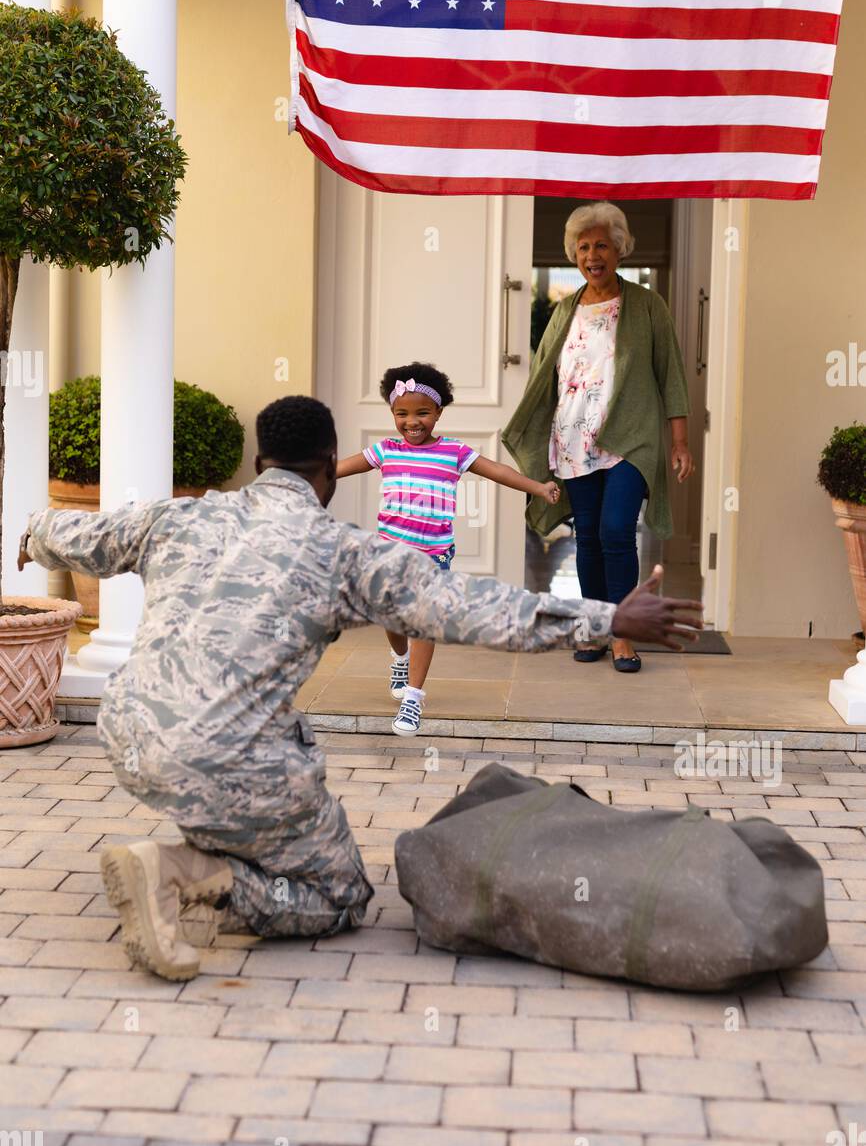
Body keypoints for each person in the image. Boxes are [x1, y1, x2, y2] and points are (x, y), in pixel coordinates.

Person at [19, 395, 702, 983]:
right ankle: (182, 873)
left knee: (252, 772)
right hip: (226, 758)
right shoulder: (343, 554)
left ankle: (213, 844)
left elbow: (79, 534)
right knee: (338, 893)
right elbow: (469, 607)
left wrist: (31, 535)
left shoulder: (182, 517)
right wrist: (609, 617)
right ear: (328, 470)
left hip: (129, 735)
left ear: (261, 464)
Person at [503, 202, 695, 675]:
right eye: (584, 247)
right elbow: (546, 374)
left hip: (630, 438)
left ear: (619, 250)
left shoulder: (647, 304)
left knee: (615, 531)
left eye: (602, 245)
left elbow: (670, 373)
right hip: (573, 437)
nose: (593, 254)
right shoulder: (566, 308)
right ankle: (593, 625)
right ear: (574, 255)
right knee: (586, 535)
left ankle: (623, 633)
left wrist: (679, 441)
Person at [336, 362, 559, 736]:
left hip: (433, 555)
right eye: (402, 413)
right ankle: (400, 657)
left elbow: (497, 471)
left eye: (422, 412)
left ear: (438, 412)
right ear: (392, 414)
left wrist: (537, 487)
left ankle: (413, 698)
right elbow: (340, 468)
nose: (412, 421)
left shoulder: (453, 452)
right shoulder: (385, 450)